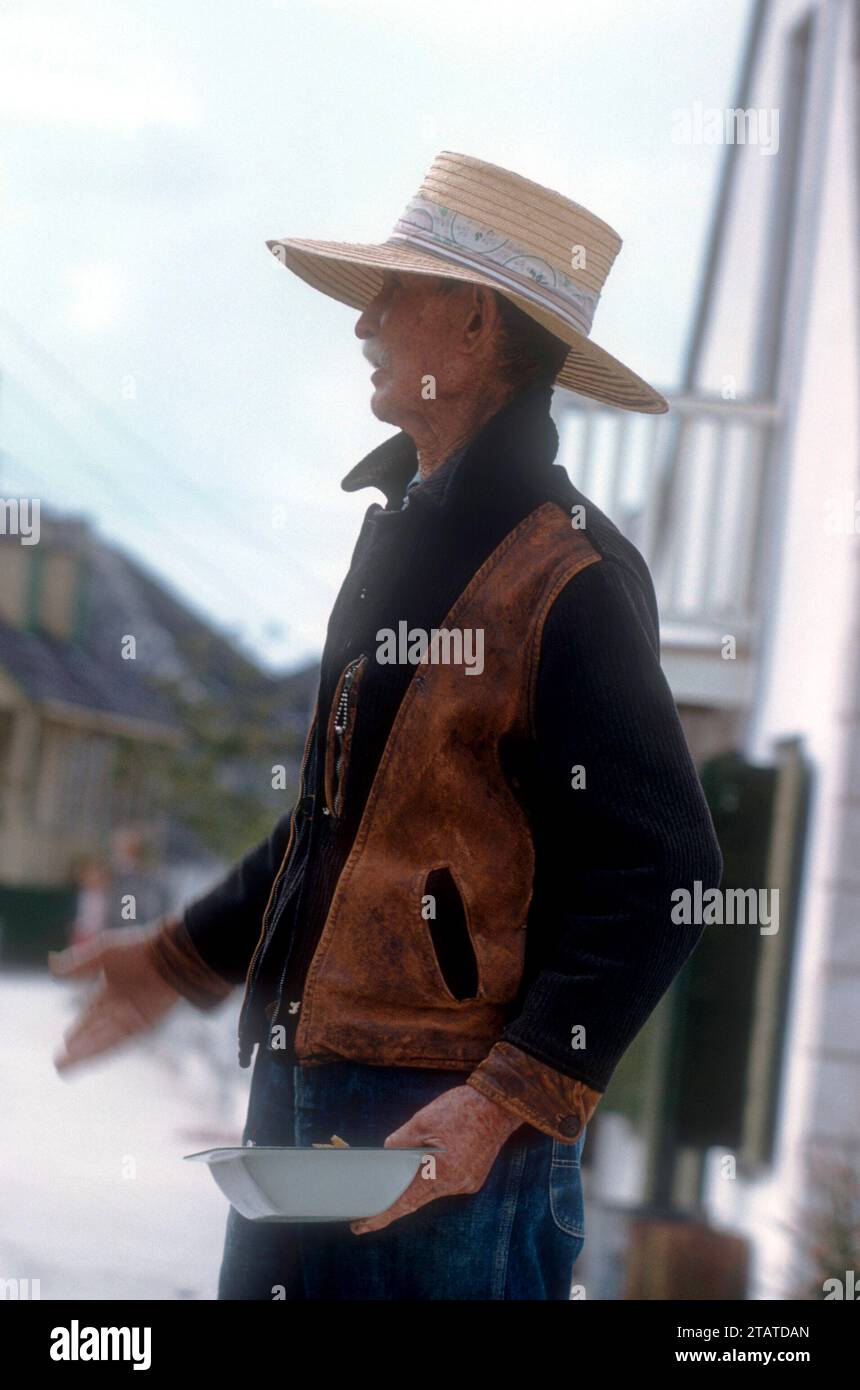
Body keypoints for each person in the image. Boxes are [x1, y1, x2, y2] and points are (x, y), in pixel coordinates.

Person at [50, 151, 723, 1300]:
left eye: (391, 291)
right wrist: (174, 958)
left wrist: (503, 1097)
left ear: (470, 326)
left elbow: (665, 868)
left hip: (449, 1132)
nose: (363, 318)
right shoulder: (398, 532)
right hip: (308, 1095)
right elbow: (333, 828)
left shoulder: (569, 573)